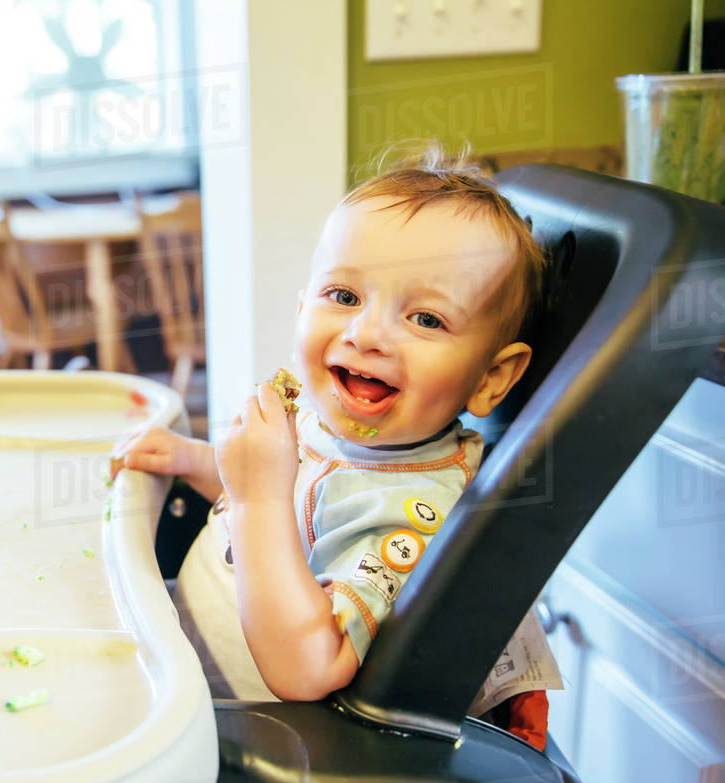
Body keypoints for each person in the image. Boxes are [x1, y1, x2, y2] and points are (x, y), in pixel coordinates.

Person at [112, 144, 562, 747]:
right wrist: (199, 462)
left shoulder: (413, 513)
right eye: (344, 296)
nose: (366, 334)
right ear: (302, 309)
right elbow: (299, 512)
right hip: (169, 663)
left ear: (491, 378)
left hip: (240, 745)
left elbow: (307, 664)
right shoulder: (331, 424)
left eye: (427, 319)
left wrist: (255, 499)